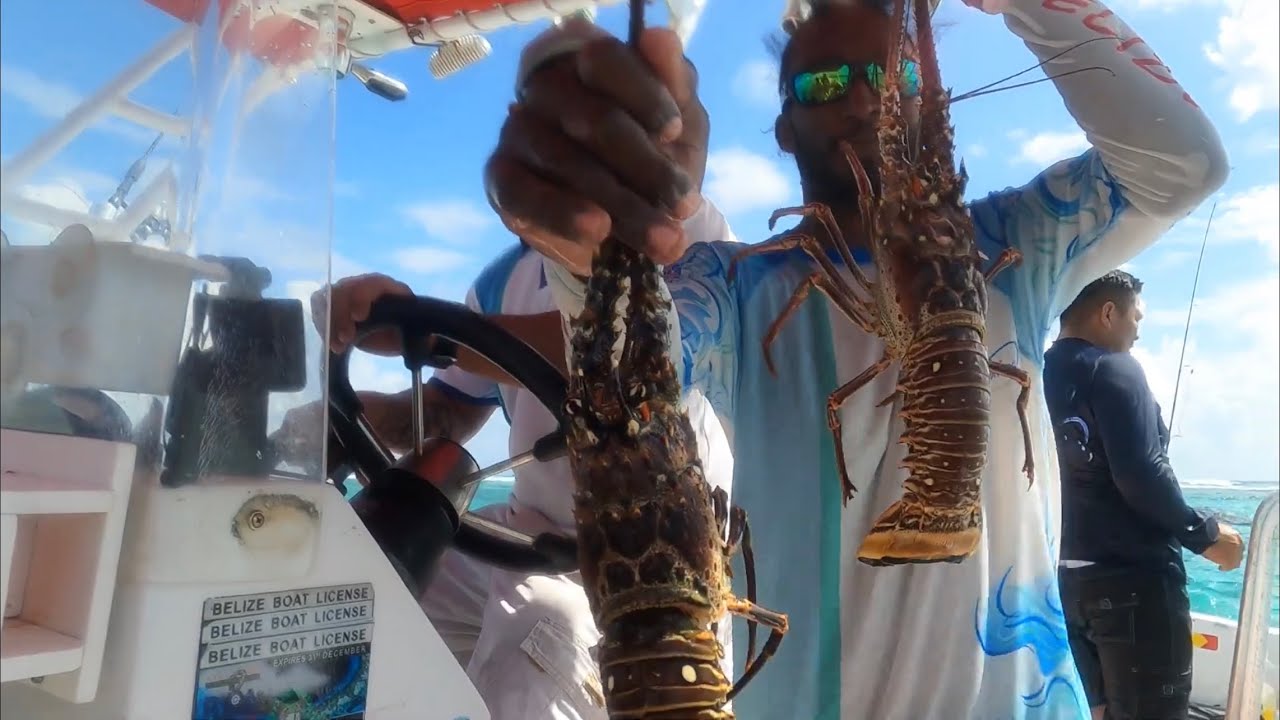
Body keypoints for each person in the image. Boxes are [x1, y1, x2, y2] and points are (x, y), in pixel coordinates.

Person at [480, 1, 1229, 717]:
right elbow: (635, 368)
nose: (867, 100)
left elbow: (1185, 164)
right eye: (825, 83)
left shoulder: (1015, 243)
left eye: (896, 79)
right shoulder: (733, 286)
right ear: (783, 125)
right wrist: (592, 245)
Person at [286, 212, 739, 720]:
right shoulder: (501, 280)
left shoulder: (682, 233)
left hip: (642, 573)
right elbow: (445, 412)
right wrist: (325, 420)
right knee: (345, 595)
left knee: (525, 659)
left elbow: (648, 352)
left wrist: (435, 337)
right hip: (525, 539)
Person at [1043, 270, 1244, 720]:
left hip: (1065, 585)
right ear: (1108, 312)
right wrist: (1208, 536)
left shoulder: (1037, 373)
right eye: (1135, 317)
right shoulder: (1114, 367)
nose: (1138, 330)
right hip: (1135, 585)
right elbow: (1141, 474)